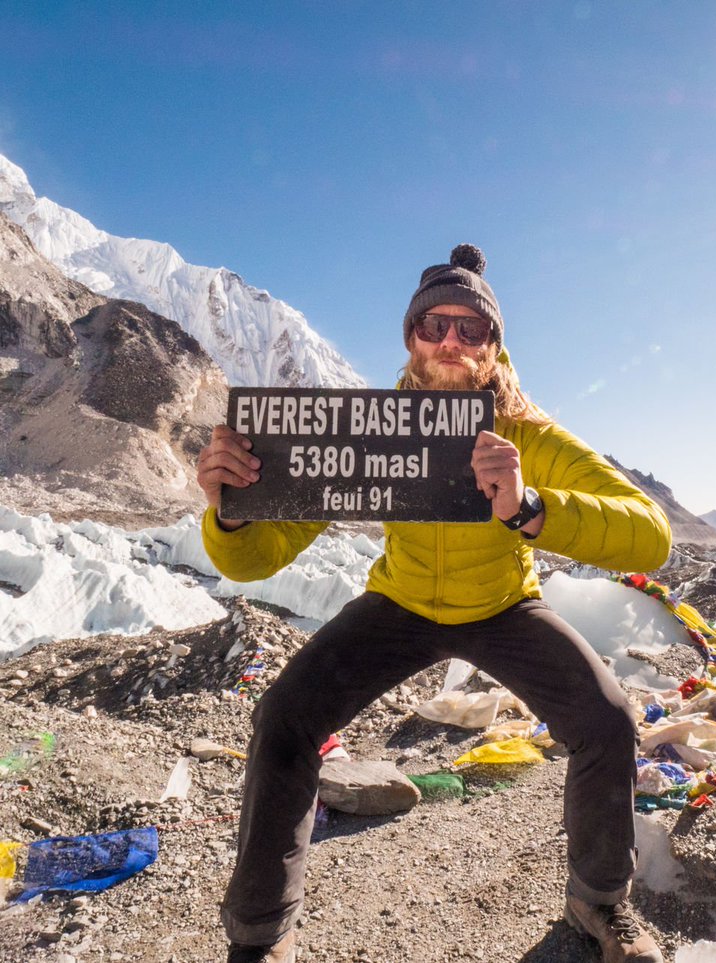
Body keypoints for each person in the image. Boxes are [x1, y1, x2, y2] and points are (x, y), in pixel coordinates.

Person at [196, 244, 672, 963]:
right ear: (412, 338)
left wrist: (533, 506)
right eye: (433, 325)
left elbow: (651, 536)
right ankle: (262, 935)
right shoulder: (373, 426)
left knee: (606, 719)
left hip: (503, 606)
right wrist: (231, 512)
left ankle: (600, 900)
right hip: (400, 603)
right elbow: (260, 554)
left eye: (470, 328)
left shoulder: (525, 433)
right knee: (285, 719)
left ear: (492, 345)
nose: (451, 340)